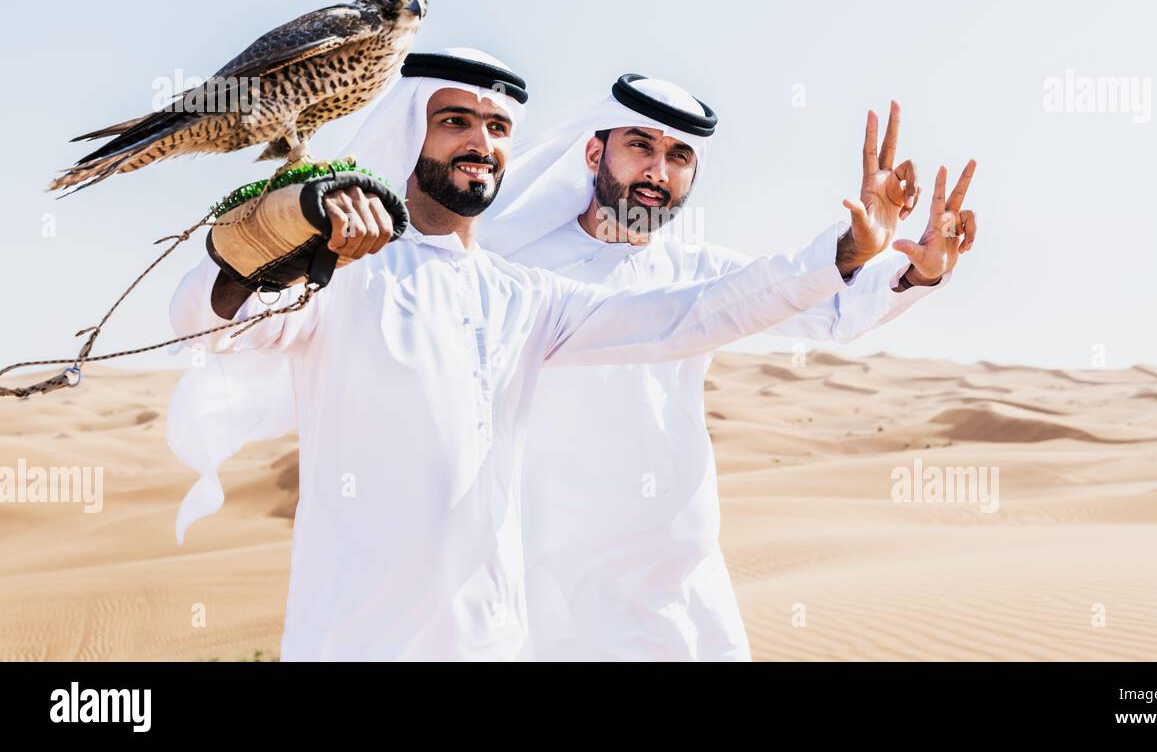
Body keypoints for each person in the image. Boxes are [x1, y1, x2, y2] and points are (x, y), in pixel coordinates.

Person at [165, 50, 909, 661]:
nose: (480, 143)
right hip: (359, 643)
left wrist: (840, 254)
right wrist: (266, 253)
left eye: (496, 127)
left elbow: (696, 311)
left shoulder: (526, 298)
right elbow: (209, 327)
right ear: (408, 135)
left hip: (499, 641)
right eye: (455, 121)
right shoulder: (344, 275)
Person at [479, 74, 978, 660]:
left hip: (681, 587)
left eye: (679, 156)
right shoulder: (513, 267)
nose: (658, 173)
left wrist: (917, 270)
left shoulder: (698, 266)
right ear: (595, 152)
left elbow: (829, 308)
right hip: (553, 590)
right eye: (640, 145)